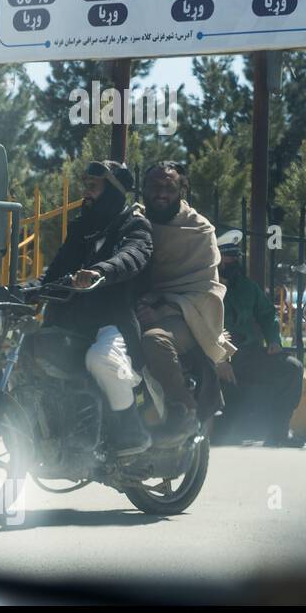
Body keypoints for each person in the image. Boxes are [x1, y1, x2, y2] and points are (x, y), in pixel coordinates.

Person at [40, 160, 154, 456]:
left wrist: (101, 271)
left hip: (112, 324)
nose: (86, 193)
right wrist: (26, 289)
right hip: (73, 324)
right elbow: (54, 272)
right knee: (33, 350)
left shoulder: (134, 225)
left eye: (93, 187)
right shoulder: (83, 229)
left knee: (102, 359)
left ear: (113, 192)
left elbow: (132, 256)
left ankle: (131, 431)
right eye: (85, 186)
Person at [135, 162, 235, 445]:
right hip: (134, 306)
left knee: (155, 341)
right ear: (143, 190)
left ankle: (183, 410)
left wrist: (167, 308)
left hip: (184, 315)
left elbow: (207, 288)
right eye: (154, 186)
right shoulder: (133, 221)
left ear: (183, 189)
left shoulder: (199, 230)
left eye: (169, 187)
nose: (161, 193)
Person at [215, 239, 304, 447]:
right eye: (226, 257)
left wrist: (273, 339)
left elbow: (267, 313)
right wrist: (218, 360)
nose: (232, 261)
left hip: (248, 355)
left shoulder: (248, 287)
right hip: (215, 358)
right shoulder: (205, 288)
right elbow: (199, 324)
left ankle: (279, 433)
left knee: (292, 368)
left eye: (235, 257)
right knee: (224, 431)